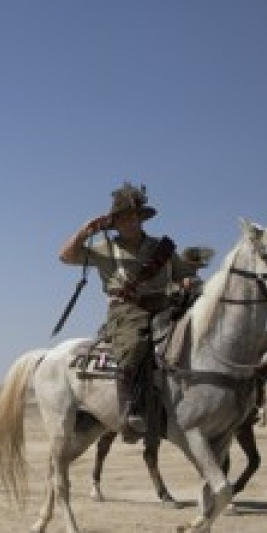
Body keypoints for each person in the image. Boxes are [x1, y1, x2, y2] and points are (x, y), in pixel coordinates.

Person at [58, 182, 195, 440]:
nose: (130, 223)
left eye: (134, 217)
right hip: (127, 310)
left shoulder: (162, 248)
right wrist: (84, 231)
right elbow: (65, 257)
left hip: (165, 305)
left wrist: (187, 281)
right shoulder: (104, 248)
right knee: (134, 345)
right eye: (123, 218)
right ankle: (131, 411)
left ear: (141, 219)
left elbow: (185, 274)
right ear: (115, 223)